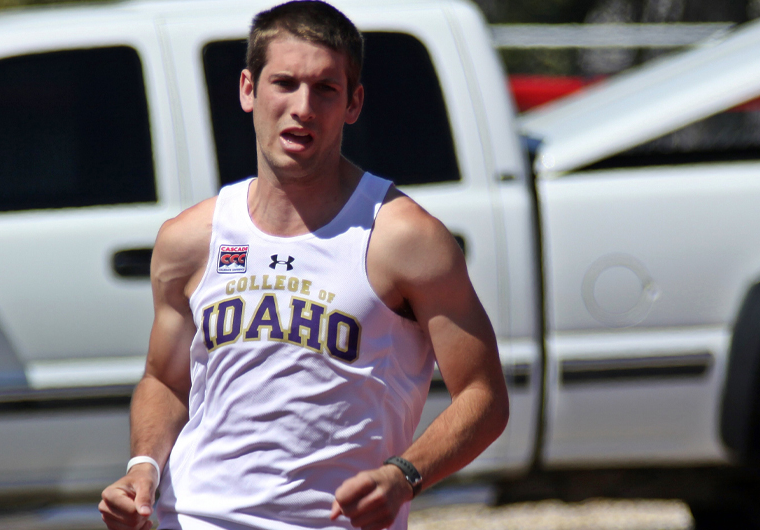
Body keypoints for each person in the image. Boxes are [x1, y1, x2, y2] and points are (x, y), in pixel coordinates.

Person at [98, 1, 509, 529]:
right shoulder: (190, 239)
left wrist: (404, 475)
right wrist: (142, 467)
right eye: (285, 83)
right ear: (248, 89)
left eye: (325, 88)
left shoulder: (404, 237)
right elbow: (166, 379)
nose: (303, 107)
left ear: (354, 103)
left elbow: (484, 396)